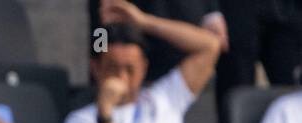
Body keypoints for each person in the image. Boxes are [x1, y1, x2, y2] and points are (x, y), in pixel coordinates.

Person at [64, 0, 219, 123]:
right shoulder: (82, 121)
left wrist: (144, 21)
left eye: (130, 70)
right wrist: (105, 112)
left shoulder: (165, 98)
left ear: (143, 68)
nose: (122, 77)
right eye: (113, 68)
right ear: (96, 69)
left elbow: (210, 45)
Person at [216, 0, 302, 123]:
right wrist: (211, 10)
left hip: (291, 9)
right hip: (236, 9)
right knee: (235, 97)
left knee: (294, 91)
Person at [88, 0, 227, 84]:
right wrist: (100, 57)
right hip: (138, 58)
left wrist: (211, 10)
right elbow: (100, 27)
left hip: (187, 45)